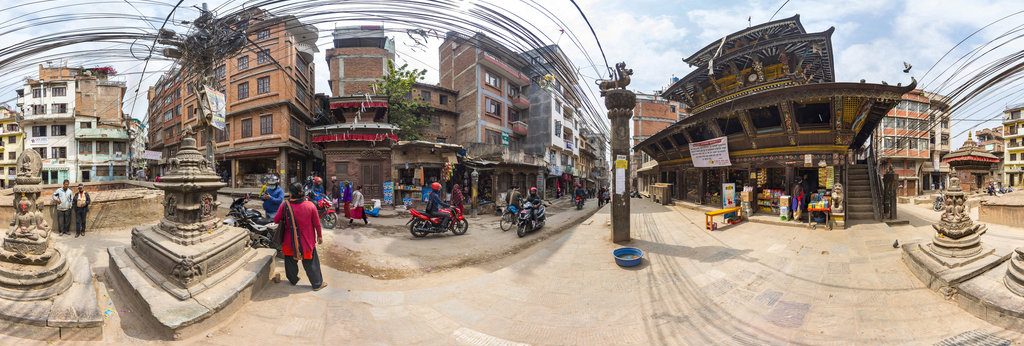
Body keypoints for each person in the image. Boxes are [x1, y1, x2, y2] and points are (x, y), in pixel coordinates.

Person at [273, 182, 326, 291]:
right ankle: (317, 284)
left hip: (289, 241)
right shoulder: (311, 205)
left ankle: (293, 280)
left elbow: (276, 220)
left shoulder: (285, 205)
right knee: (311, 263)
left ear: (291, 194)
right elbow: (317, 224)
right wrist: (319, 236)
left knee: (290, 261)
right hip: (307, 241)